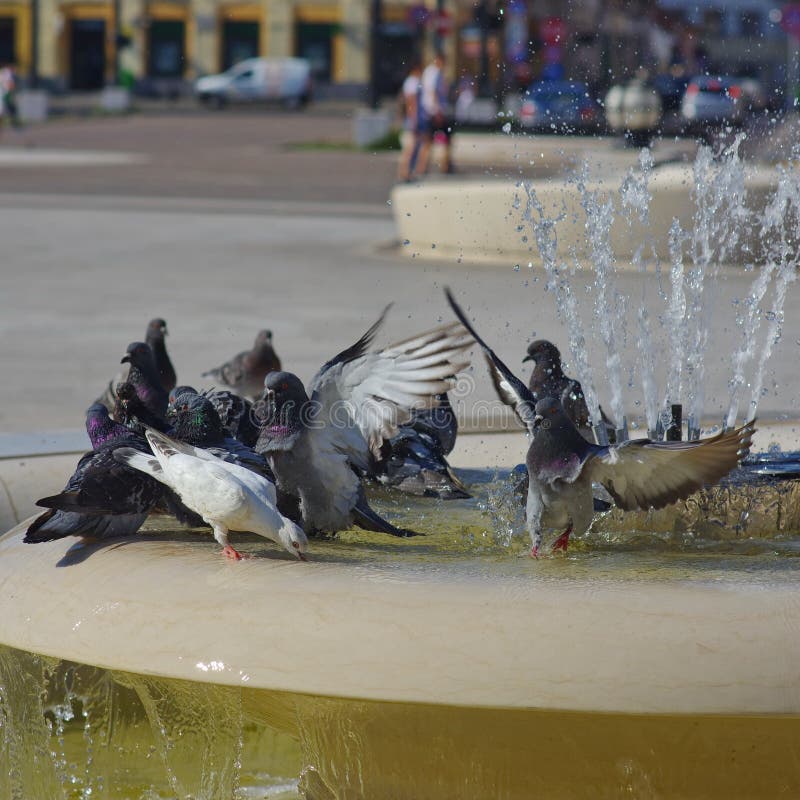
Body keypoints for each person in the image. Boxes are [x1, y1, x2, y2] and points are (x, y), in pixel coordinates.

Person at [417, 52, 454, 175]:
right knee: (437, 140)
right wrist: (437, 111)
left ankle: (424, 167)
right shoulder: (434, 73)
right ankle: (443, 166)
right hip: (433, 112)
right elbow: (432, 92)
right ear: (439, 60)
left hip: (430, 111)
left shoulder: (430, 72)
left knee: (429, 141)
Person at [397, 59, 423, 183]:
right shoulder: (413, 82)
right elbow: (411, 102)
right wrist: (414, 119)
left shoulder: (411, 81)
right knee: (410, 147)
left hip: (411, 118)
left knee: (412, 146)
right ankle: (404, 173)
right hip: (412, 118)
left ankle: (406, 172)